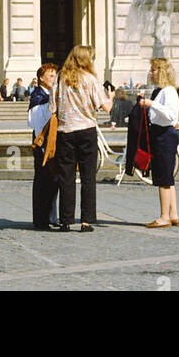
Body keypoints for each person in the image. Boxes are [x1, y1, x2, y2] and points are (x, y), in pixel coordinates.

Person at [51, 45, 113, 232]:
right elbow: (106, 108)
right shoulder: (90, 79)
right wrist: (111, 97)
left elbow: (52, 107)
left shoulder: (61, 78)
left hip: (65, 131)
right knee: (88, 177)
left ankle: (66, 220)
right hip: (86, 130)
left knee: (66, 177)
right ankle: (86, 220)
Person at [139, 60, 179, 226]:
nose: (151, 73)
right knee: (168, 177)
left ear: (162, 72)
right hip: (160, 133)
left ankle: (164, 217)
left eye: (153, 70)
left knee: (163, 177)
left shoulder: (169, 91)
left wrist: (151, 104)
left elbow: (170, 115)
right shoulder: (160, 90)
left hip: (165, 134)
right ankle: (173, 214)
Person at [28, 63, 60, 229]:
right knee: (43, 179)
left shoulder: (49, 94)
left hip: (51, 139)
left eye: (55, 75)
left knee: (53, 179)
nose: (54, 78)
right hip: (43, 140)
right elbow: (34, 121)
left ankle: (51, 216)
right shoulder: (38, 95)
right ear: (41, 77)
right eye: (50, 75)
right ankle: (41, 218)